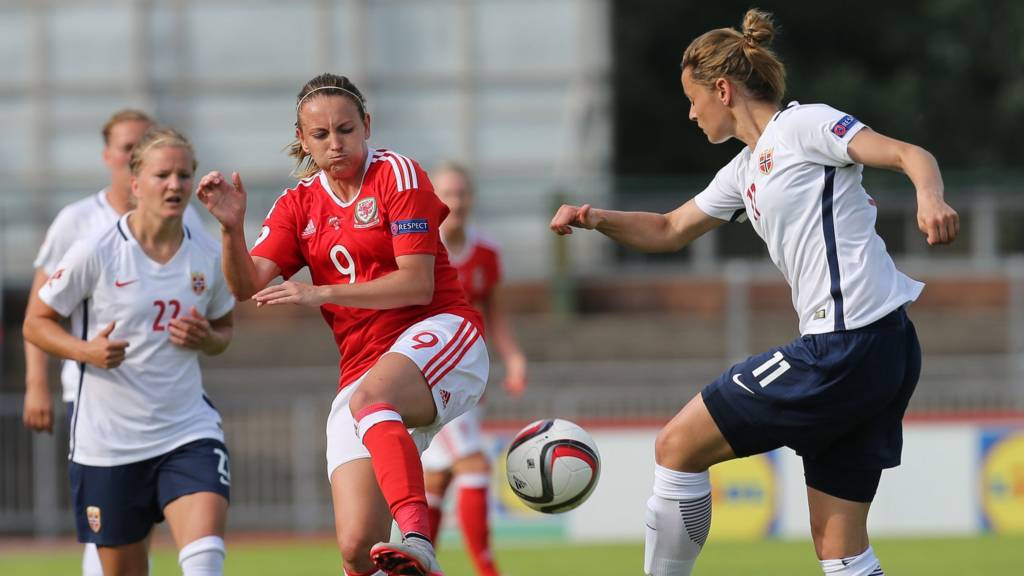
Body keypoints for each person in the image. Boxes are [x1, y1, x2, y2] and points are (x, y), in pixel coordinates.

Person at [550, 9, 959, 576]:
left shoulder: (804, 126)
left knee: (676, 447)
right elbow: (670, 229)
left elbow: (911, 154)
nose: (691, 113)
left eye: (694, 99)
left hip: (846, 343)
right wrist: (595, 217)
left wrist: (929, 197)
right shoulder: (743, 170)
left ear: (723, 89)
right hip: (880, 347)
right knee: (841, 549)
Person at [195, 73, 489, 576]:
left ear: (367, 126)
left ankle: (418, 536)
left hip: (441, 333)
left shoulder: (399, 174)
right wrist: (230, 229)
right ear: (303, 139)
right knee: (356, 547)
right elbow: (246, 286)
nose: (336, 143)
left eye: (346, 130)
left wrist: (320, 291)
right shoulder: (297, 203)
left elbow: (416, 284)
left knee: (372, 399)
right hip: (365, 369)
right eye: (322, 135)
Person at [23, 127, 235, 576]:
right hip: (108, 444)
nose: (174, 185)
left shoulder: (207, 254)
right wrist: (86, 351)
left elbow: (223, 329)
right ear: (135, 184)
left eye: (183, 175)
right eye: (162, 175)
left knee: (205, 560)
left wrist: (206, 340)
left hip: (186, 432)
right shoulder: (96, 251)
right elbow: (35, 323)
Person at [420, 163, 527, 576]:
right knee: (474, 464)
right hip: (432, 377)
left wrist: (514, 358)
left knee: (437, 482)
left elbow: (494, 314)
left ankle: (417, 566)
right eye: (447, 193)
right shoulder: (421, 250)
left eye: (462, 193)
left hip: (469, 380)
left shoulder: (486, 252)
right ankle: (487, 570)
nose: (456, 202)